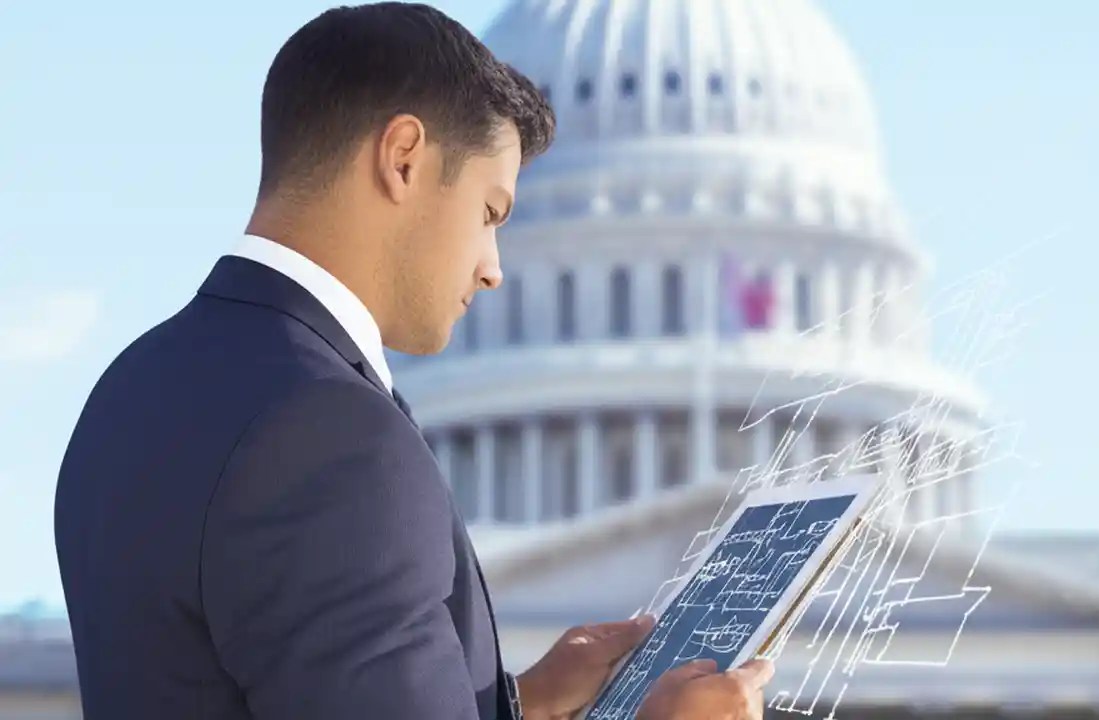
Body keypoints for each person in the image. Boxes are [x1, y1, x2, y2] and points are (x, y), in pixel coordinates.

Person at [53, 2, 774, 719]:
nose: (493, 268)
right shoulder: (332, 435)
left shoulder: (131, 390)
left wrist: (513, 703)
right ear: (402, 159)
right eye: (489, 213)